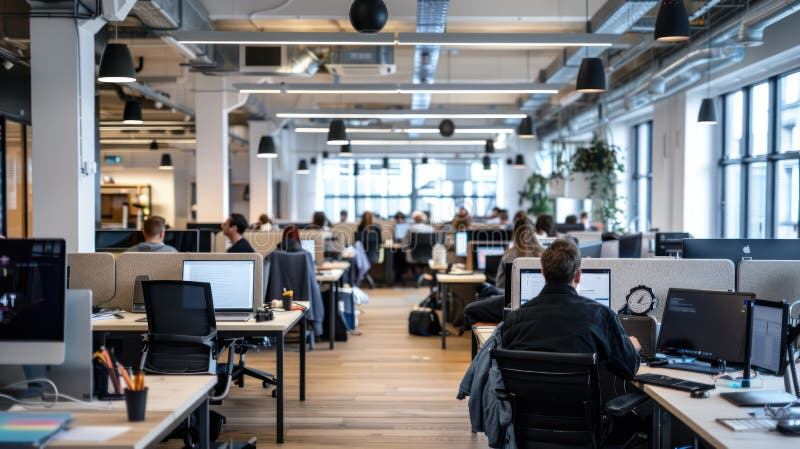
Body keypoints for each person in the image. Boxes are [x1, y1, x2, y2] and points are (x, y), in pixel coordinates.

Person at [501, 238, 640, 381]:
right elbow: (628, 368)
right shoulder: (601, 316)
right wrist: (632, 348)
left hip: (527, 396)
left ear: (543, 272)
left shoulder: (514, 320)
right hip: (579, 396)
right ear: (578, 276)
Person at [494, 217, 545, 288]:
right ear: (533, 233)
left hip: (511, 294)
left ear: (515, 232)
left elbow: (499, 285)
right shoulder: (544, 255)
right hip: (539, 294)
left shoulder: (508, 255)